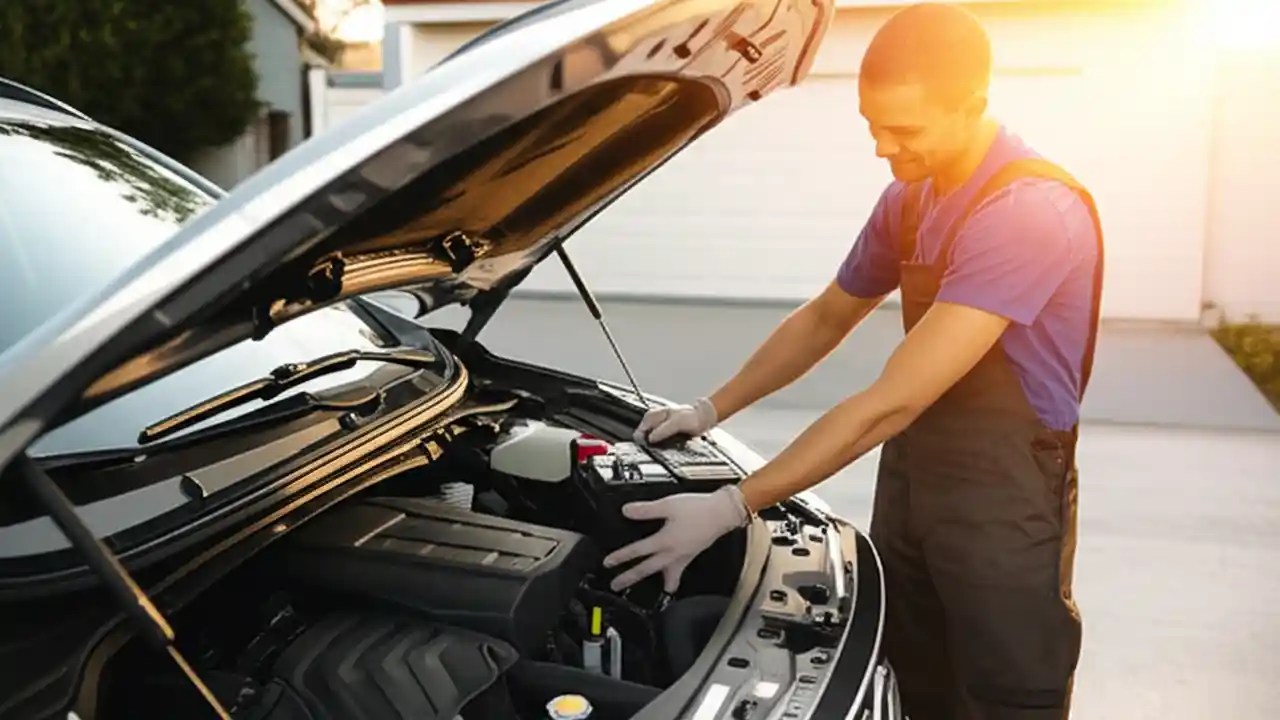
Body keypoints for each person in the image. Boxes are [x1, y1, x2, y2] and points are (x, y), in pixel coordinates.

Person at [600, 3, 1104, 719]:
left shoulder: (1026, 211)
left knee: (1006, 688)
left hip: (1007, 494)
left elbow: (892, 399)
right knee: (910, 668)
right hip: (914, 477)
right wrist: (712, 407)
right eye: (873, 126)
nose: (882, 148)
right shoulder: (910, 197)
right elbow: (826, 317)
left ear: (973, 107)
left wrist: (732, 504)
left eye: (904, 130)